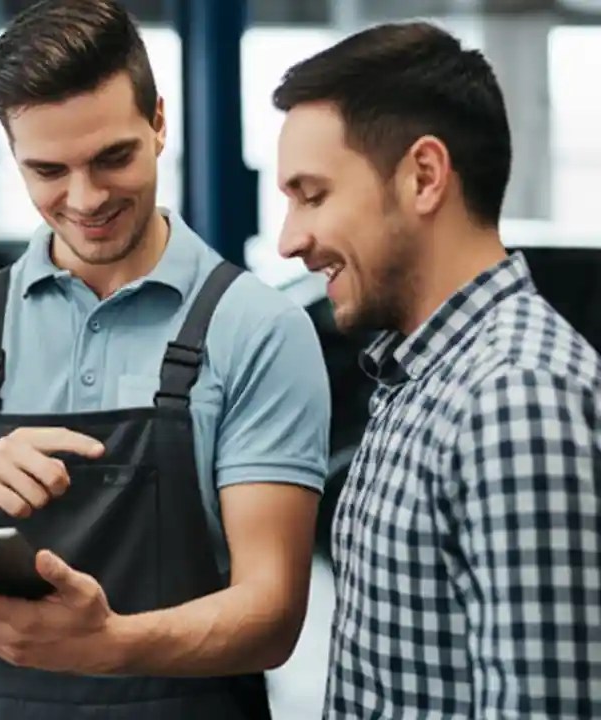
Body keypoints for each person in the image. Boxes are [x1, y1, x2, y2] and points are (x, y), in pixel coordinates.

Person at [0, 1, 330, 717]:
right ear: (13, 156)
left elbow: (272, 612)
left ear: (159, 123)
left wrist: (105, 644)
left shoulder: (257, 328)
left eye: (112, 157)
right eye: (47, 170)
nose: (85, 198)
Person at [273, 21, 601, 719]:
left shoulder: (515, 397)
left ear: (424, 177)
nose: (290, 238)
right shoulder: (421, 381)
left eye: (314, 195)